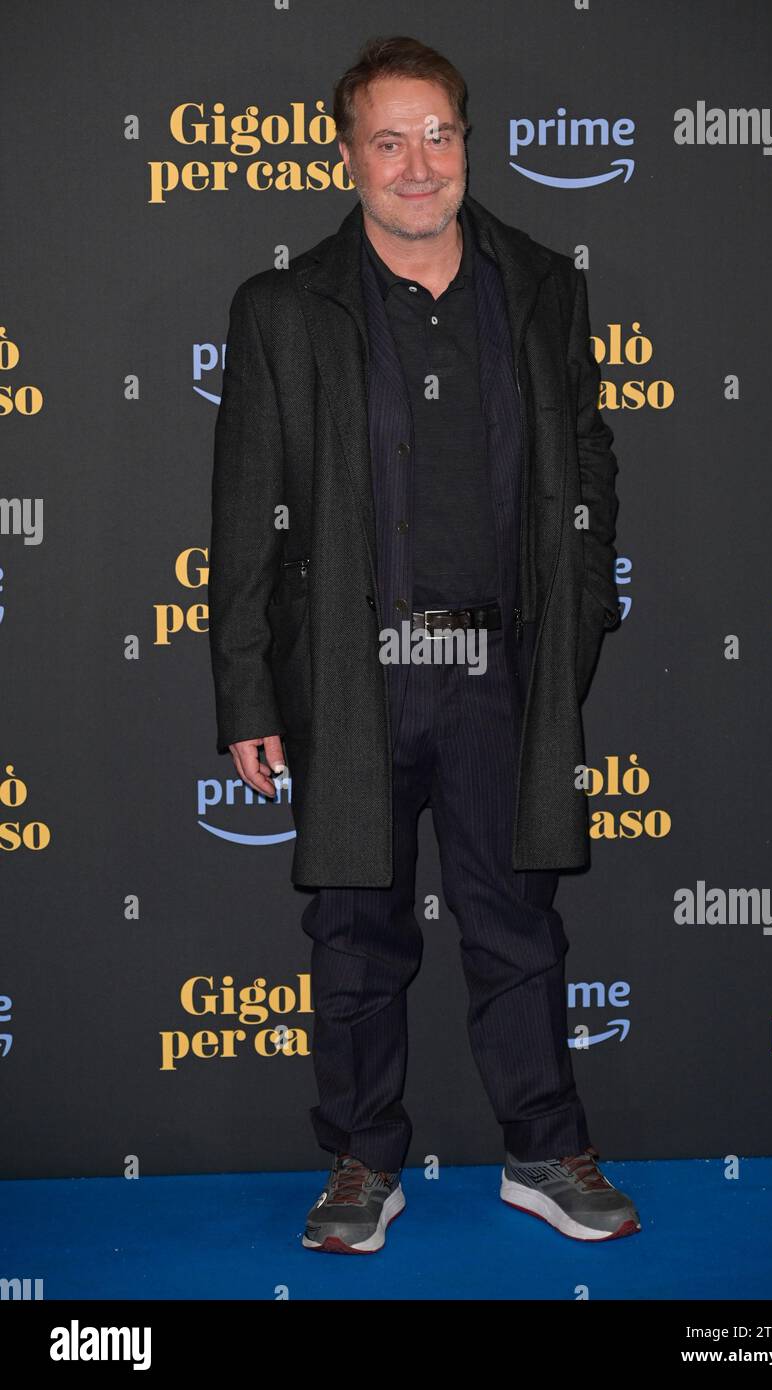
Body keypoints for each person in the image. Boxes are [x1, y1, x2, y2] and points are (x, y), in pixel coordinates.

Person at [208, 35, 639, 1253]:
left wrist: (586, 606)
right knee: (354, 934)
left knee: (519, 927)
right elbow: (243, 511)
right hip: (351, 677)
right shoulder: (283, 309)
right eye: (387, 140)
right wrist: (247, 687)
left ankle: (543, 1150)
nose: (415, 164)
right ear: (345, 155)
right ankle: (360, 1163)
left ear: (466, 142)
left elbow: (589, 457)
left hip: (500, 673)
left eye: (436, 135)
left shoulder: (545, 285)